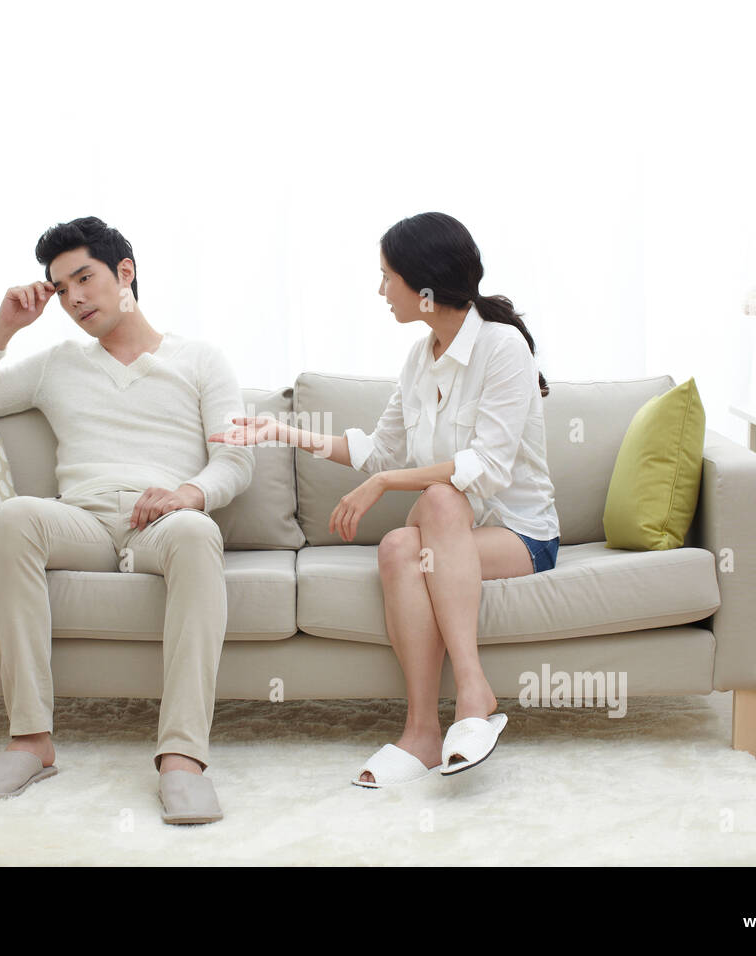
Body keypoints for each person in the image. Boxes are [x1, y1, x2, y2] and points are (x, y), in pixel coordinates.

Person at [210, 211, 559, 787]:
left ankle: (475, 692)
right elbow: (378, 450)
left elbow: (487, 468)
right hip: (450, 537)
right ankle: (421, 733)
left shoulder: (503, 349)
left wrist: (387, 484)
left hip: (521, 534)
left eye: (387, 276)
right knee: (398, 545)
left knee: (443, 499)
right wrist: (279, 432)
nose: (380, 290)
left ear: (424, 284)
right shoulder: (419, 360)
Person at [0, 216, 254, 823]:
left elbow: (235, 459)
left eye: (84, 278)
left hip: (159, 522)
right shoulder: (58, 362)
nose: (74, 297)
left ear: (125, 273)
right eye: (60, 289)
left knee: (197, 531)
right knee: (15, 517)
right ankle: (31, 741)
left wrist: (189, 494)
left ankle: (182, 758)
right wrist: (5, 326)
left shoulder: (201, 359)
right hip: (80, 522)